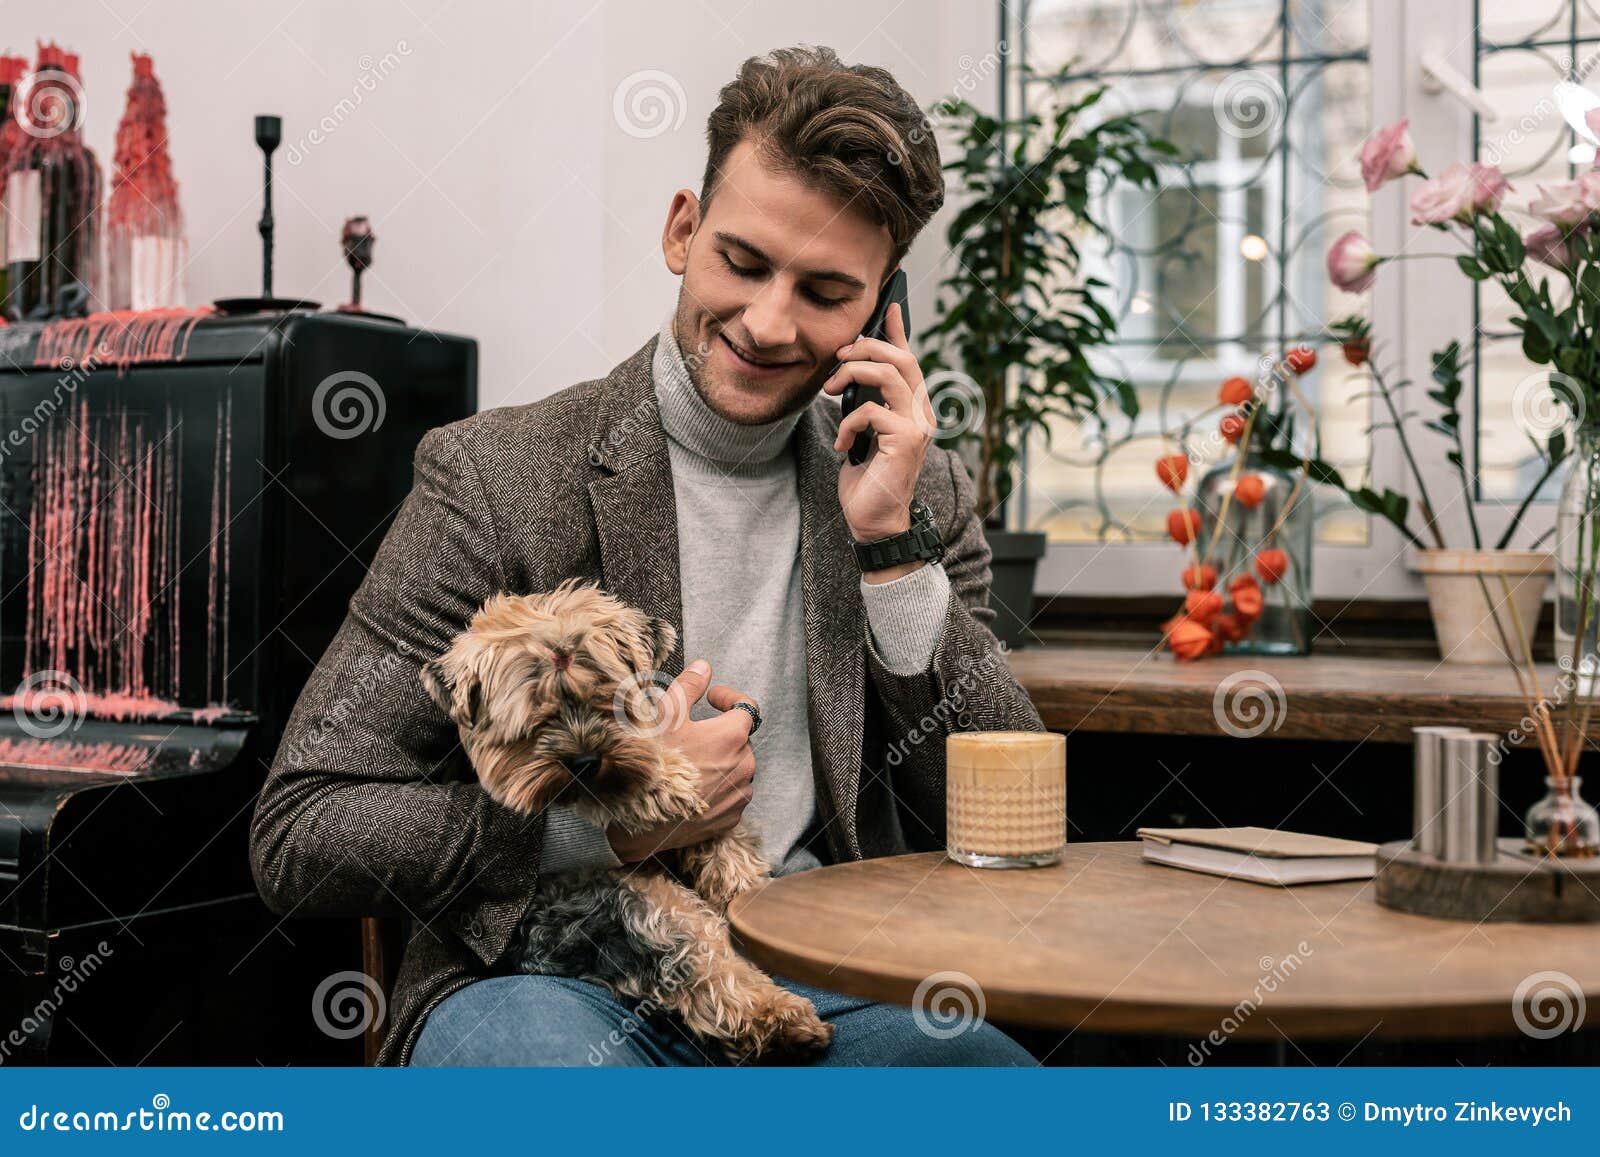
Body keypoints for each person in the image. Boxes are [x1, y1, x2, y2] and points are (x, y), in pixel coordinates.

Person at [249, 44, 1045, 1067]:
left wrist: (890, 547)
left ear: (880, 310)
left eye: (822, 290)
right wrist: (606, 829)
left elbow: (1005, 812)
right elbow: (301, 828)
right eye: (744, 263)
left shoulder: (912, 488)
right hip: (544, 982)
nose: (766, 322)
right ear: (682, 230)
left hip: (825, 970)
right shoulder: (493, 473)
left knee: (994, 1085)